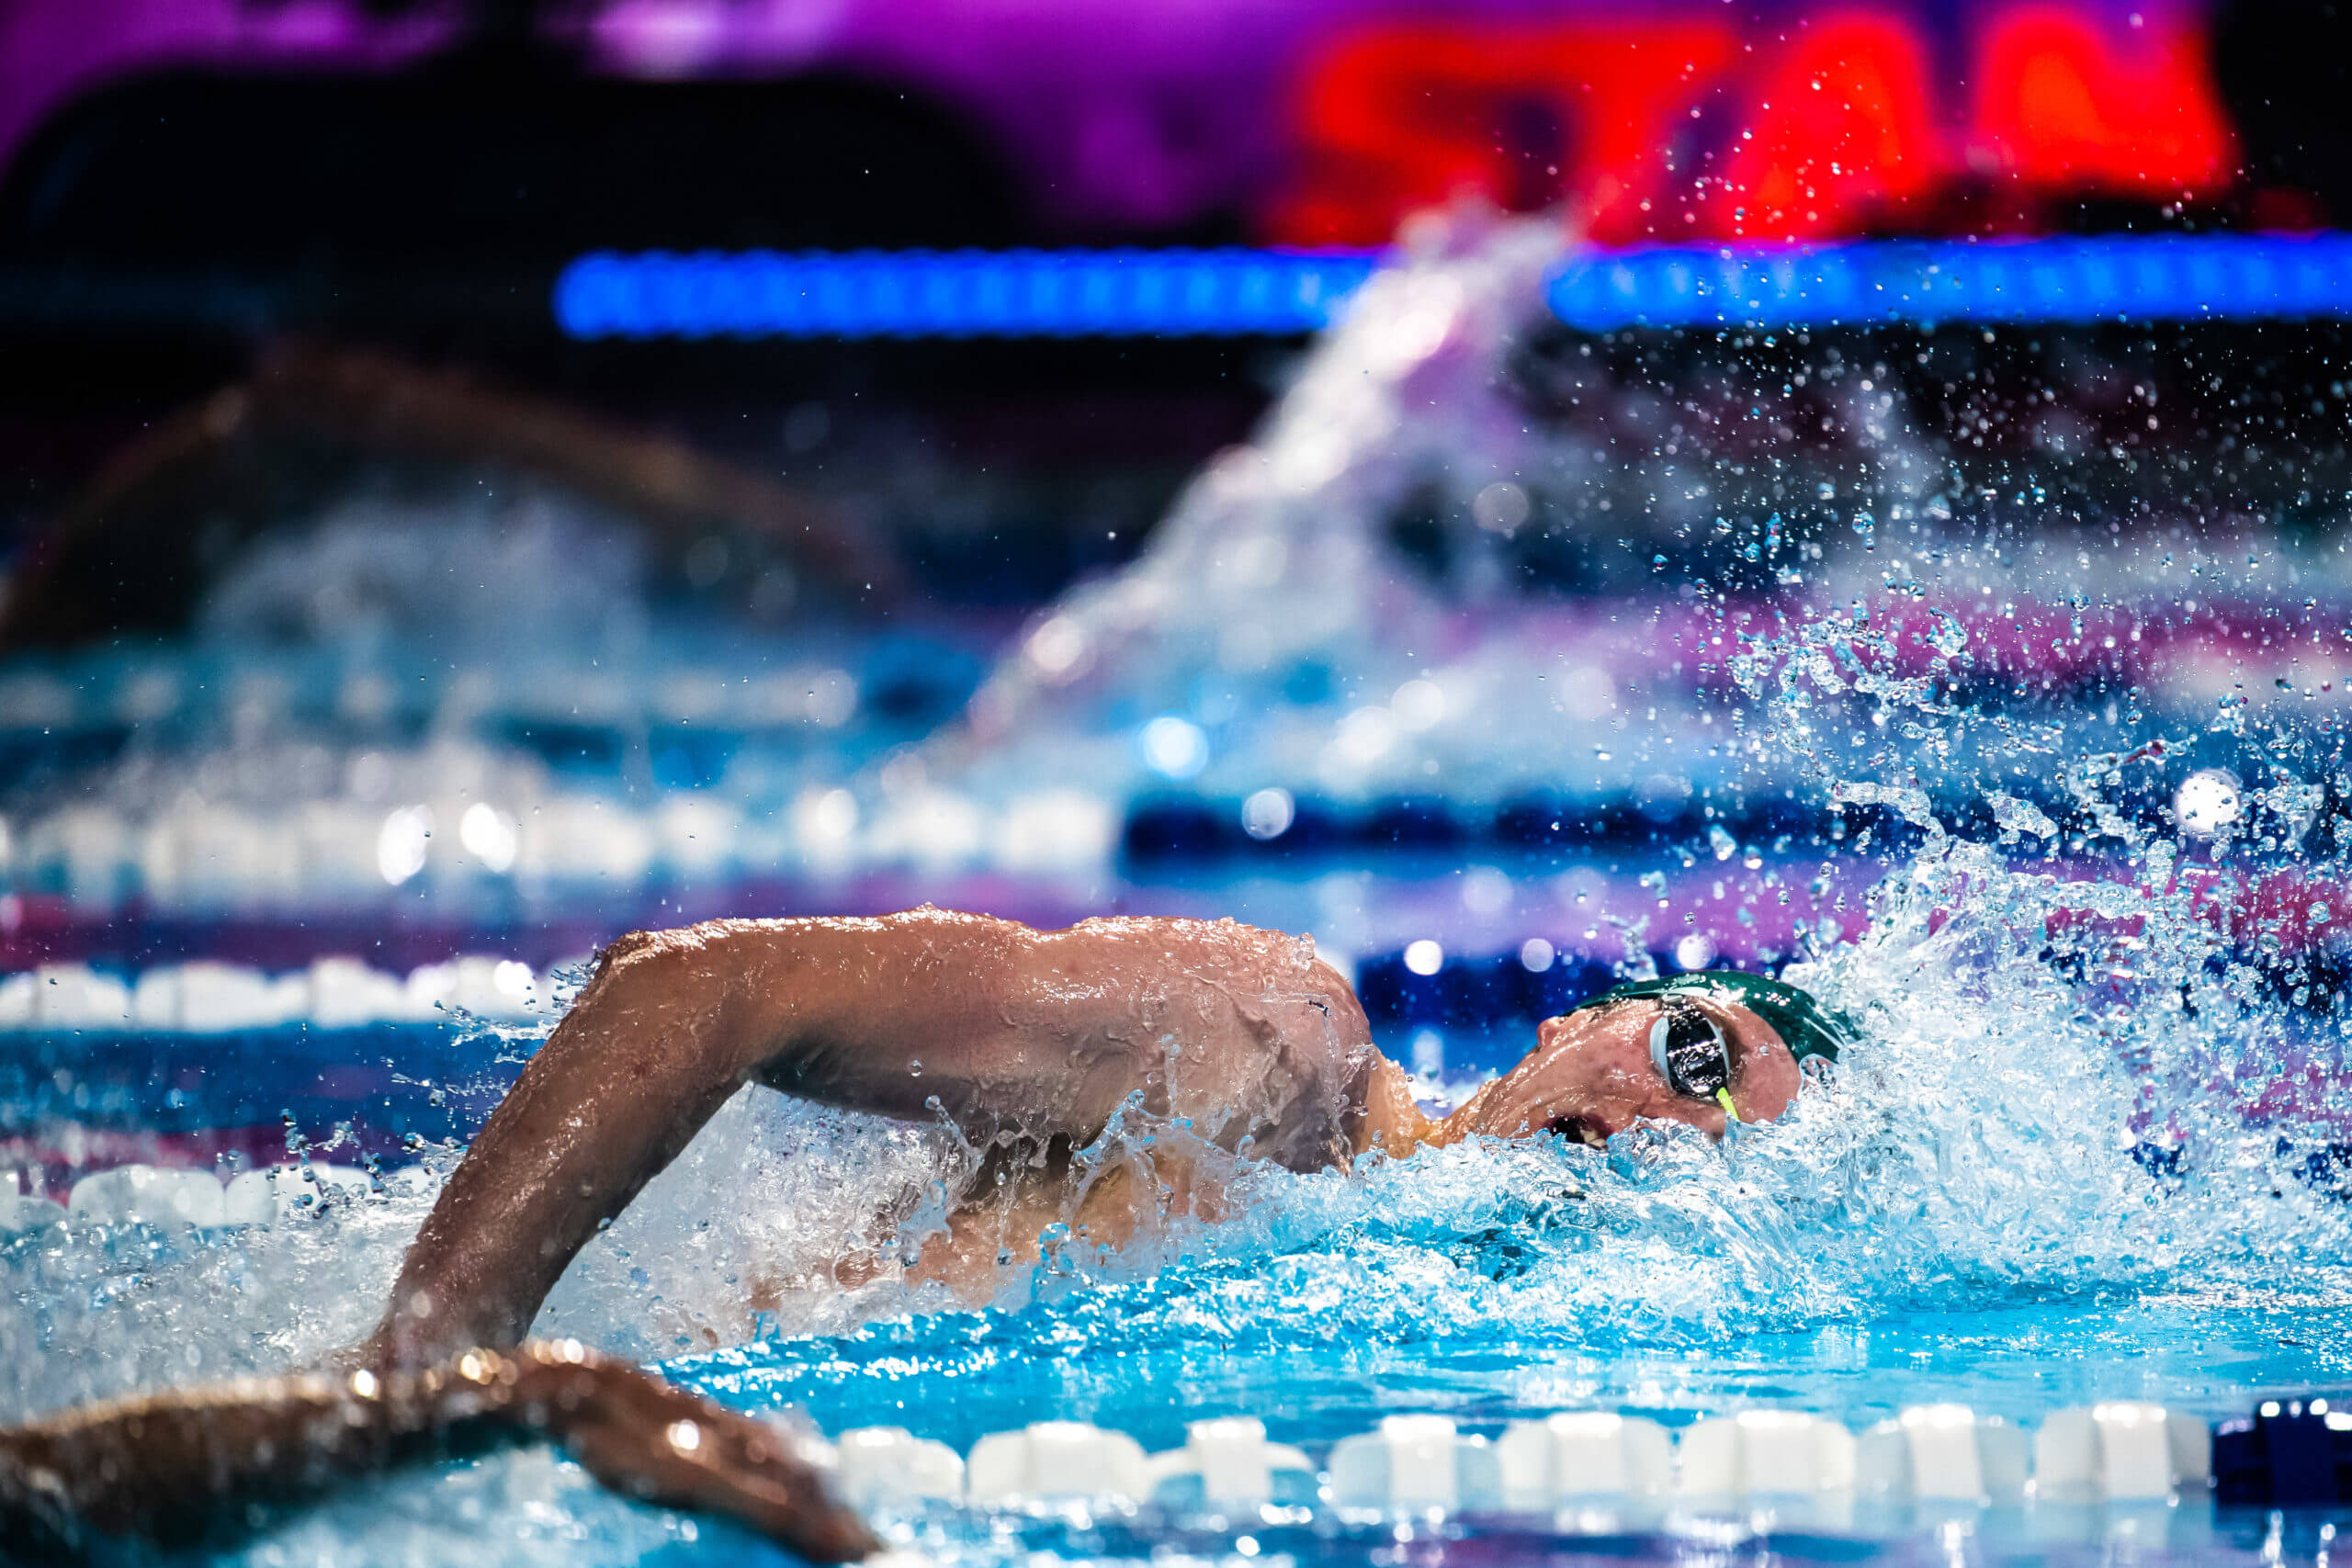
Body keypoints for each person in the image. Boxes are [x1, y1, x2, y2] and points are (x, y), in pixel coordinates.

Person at [1, 908, 1852, 1558]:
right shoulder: (1274, 1050)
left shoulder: (1449, 1376)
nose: (1661, 1117)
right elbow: (698, 985)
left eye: (1717, 1141)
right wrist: (417, 1380)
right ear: (1573, 1019)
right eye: (1692, 1043)